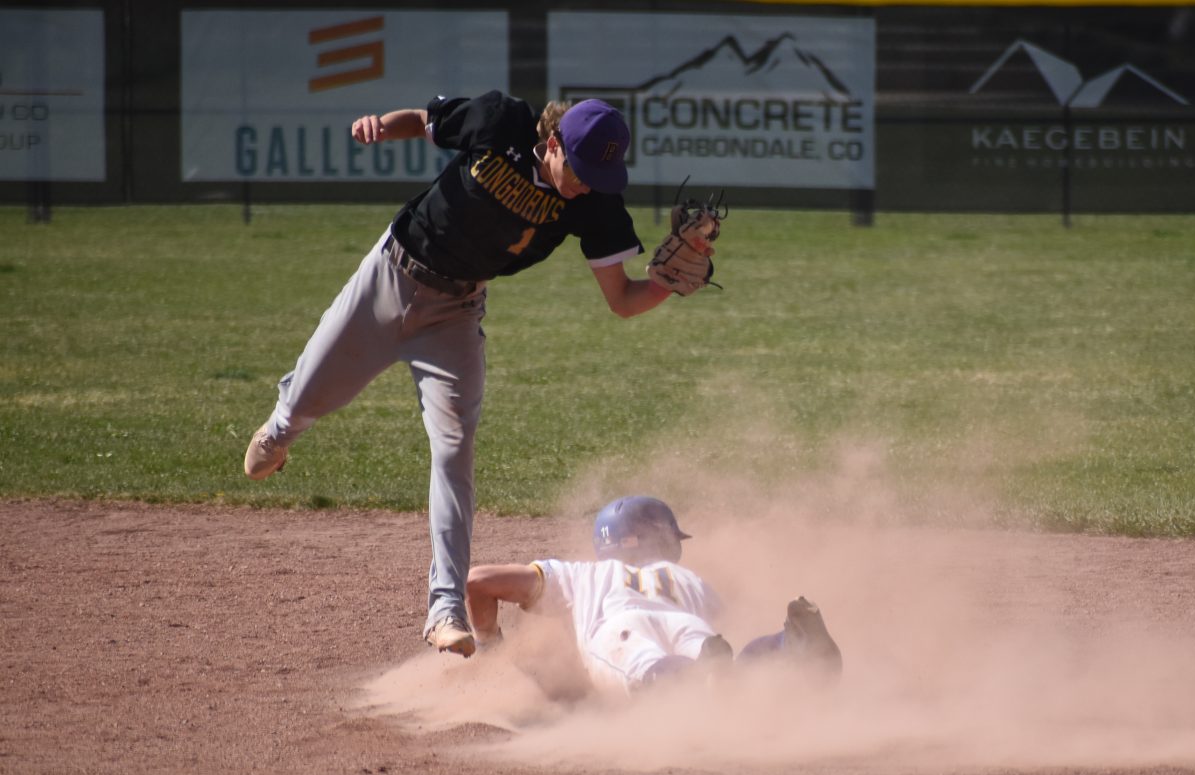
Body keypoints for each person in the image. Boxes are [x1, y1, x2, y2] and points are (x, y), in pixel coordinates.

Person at [243, 94, 702, 659]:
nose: (586, 185)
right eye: (581, 171)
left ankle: (445, 609)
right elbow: (426, 120)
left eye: (600, 175)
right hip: (390, 276)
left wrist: (668, 285)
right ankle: (282, 425)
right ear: (553, 144)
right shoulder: (499, 120)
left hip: (455, 315)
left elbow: (624, 301)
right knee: (308, 401)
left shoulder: (596, 201)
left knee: (454, 450)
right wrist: (381, 128)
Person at [466, 496, 842, 698]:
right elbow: (729, 625)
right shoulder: (690, 579)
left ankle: (700, 673)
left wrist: (489, 647)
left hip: (620, 634)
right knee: (729, 675)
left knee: (653, 676)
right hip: (691, 627)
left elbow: (478, 581)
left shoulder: (584, 573)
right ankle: (783, 645)